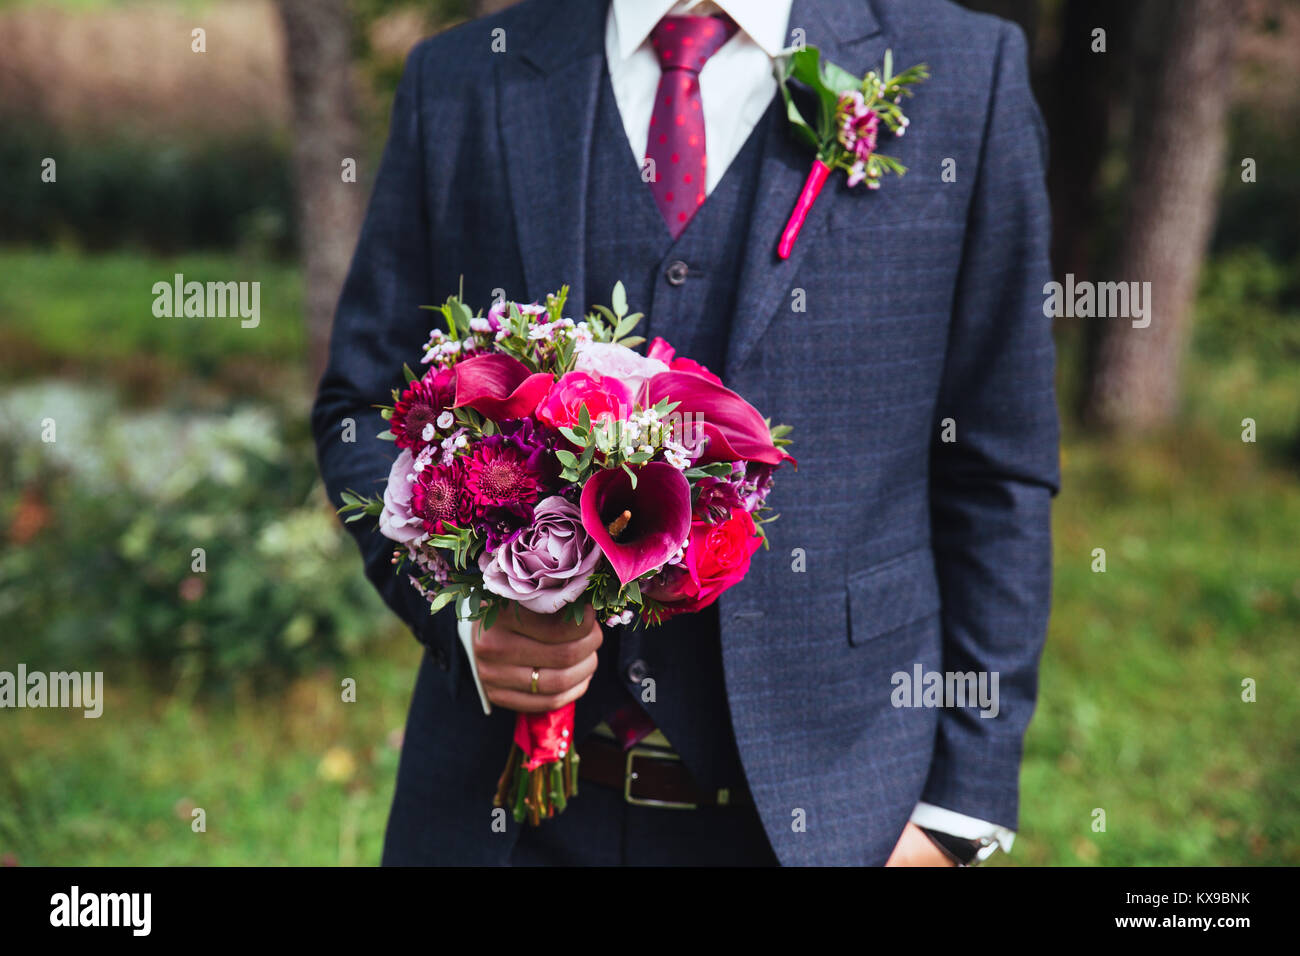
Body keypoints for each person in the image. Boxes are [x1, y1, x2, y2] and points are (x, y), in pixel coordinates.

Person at [312, 0, 1059, 866]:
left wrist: (954, 814)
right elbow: (368, 403)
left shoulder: (968, 73)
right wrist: (469, 622)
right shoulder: (465, 76)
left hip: (835, 820)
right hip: (503, 818)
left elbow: (997, 464)